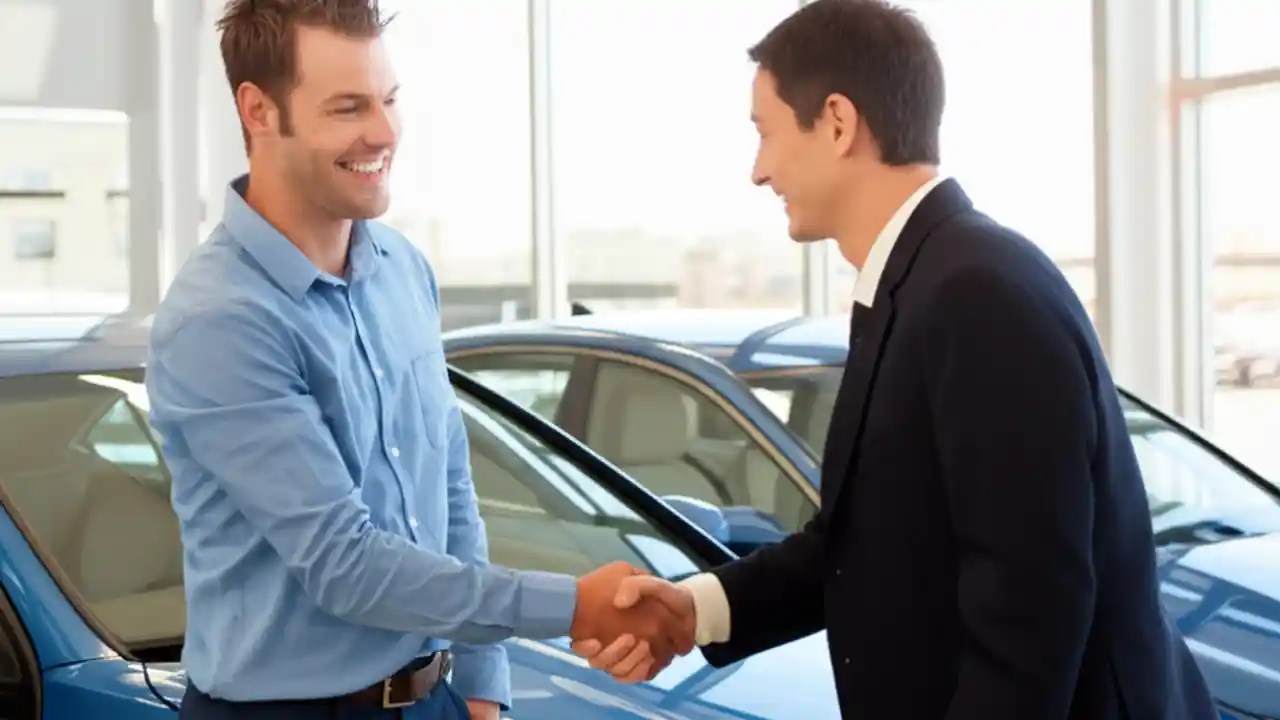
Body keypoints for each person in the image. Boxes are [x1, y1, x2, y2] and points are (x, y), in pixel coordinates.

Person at [574, 1, 1219, 718]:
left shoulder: (975, 292)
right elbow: (867, 545)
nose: (758, 171)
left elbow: (1030, 610)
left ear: (838, 123)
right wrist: (696, 609)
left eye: (766, 132)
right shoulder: (926, 279)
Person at [146, 1, 689, 718]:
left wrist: (483, 681)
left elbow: (450, 487)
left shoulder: (402, 269)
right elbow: (345, 565)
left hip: (435, 697)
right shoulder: (220, 319)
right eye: (348, 107)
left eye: (389, 99)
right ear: (258, 110)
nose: (384, 131)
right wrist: (576, 606)